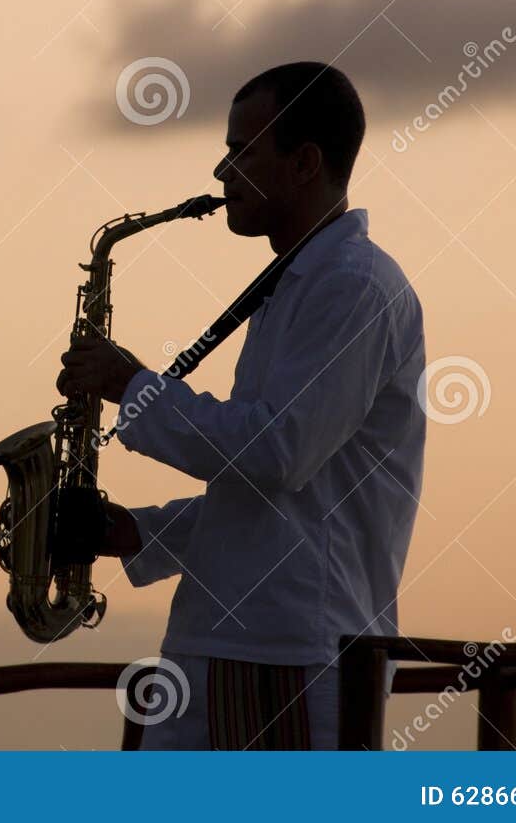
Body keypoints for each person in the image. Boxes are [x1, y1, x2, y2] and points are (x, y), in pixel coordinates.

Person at [57, 61, 426, 749]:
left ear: (305, 162)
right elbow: (272, 504)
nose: (223, 174)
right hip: (236, 644)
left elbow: (276, 452)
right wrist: (133, 533)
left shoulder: (352, 287)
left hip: (294, 657)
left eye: (241, 151)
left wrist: (132, 385)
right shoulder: (303, 283)